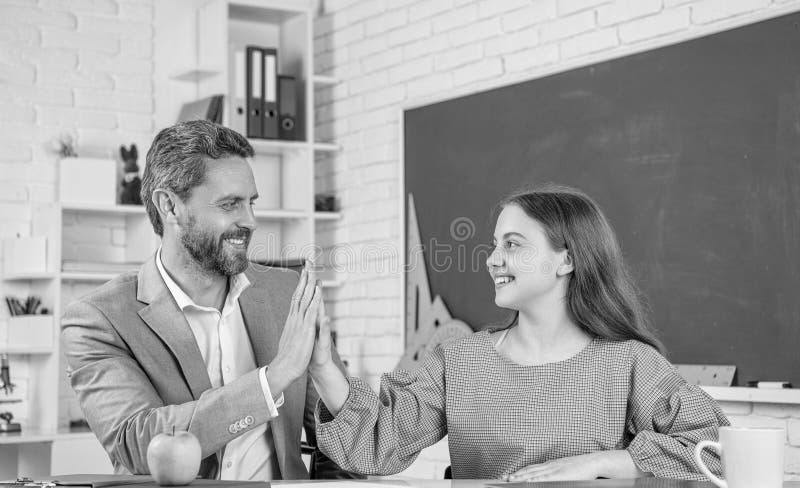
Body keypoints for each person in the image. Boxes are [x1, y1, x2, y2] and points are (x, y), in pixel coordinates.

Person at [306, 184, 729, 481]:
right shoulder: (460, 361)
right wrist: (323, 368)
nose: (492, 260)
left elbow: (715, 450)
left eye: (513, 244)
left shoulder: (628, 362)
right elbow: (378, 445)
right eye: (495, 245)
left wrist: (603, 462)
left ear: (566, 260)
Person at [61, 120, 358, 480]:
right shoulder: (99, 320)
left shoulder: (286, 293)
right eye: (230, 204)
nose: (250, 221)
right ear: (170, 207)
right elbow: (138, 443)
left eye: (250, 202)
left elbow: (344, 433)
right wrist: (272, 380)